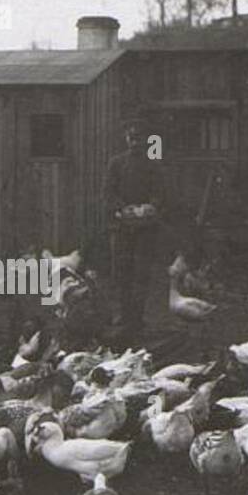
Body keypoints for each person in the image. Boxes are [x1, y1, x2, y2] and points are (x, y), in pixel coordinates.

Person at [103, 115, 165, 339]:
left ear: (145, 141)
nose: (134, 142)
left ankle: (138, 319)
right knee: (120, 273)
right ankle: (122, 317)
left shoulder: (153, 166)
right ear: (125, 138)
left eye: (139, 138)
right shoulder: (116, 163)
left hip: (145, 229)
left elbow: (160, 194)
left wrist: (149, 207)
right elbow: (109, 193)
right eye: (131, 137)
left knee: (142, 273)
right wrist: (122, 209)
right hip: (121, 228)